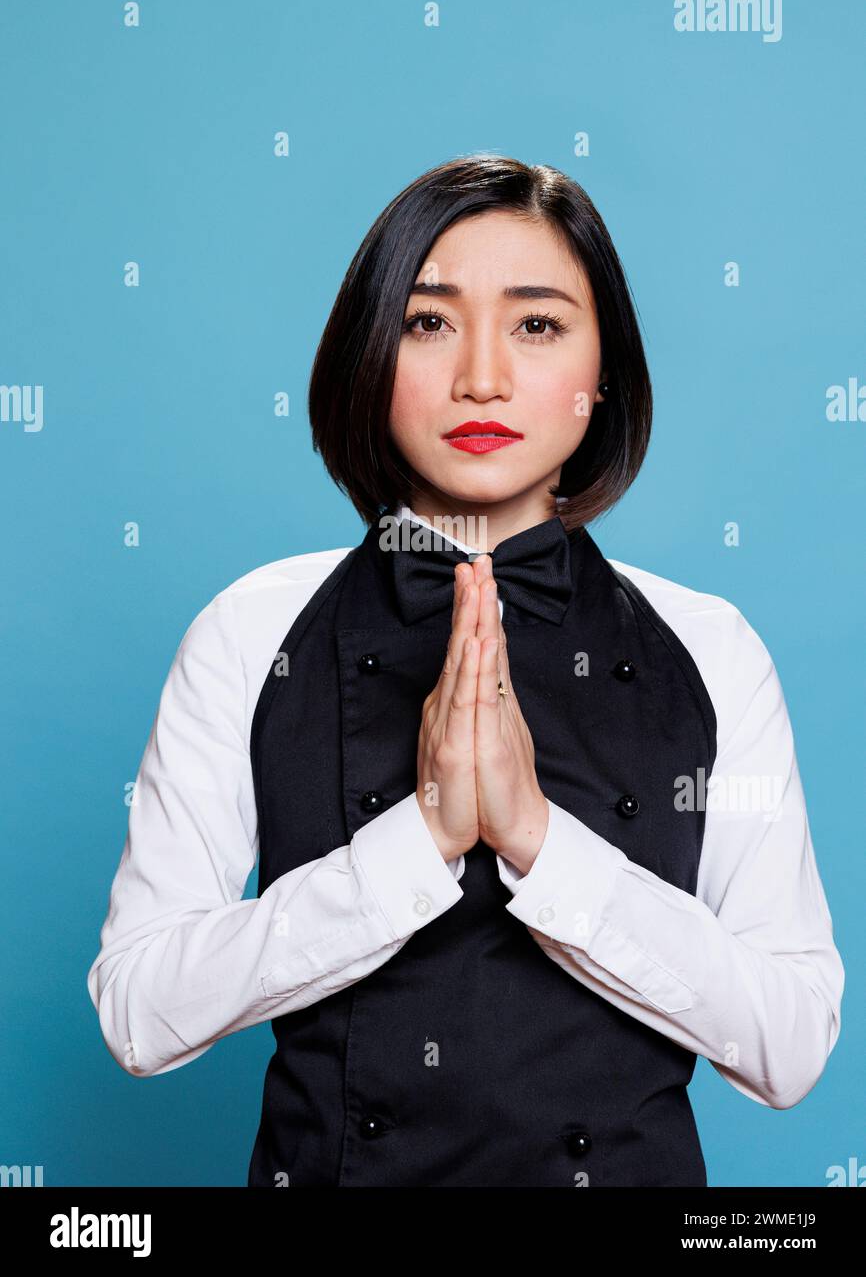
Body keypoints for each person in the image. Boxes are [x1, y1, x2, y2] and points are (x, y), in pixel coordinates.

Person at [87, 154, 844, 1188]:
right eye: (427, 321)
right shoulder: (249, 629)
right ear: (365, 355)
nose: (479, 377)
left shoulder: (709, 648)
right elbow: (136, 1011)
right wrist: (425, 838)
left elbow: (790, 1044)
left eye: (535, 324)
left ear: (603, 370)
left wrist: (534, 838)